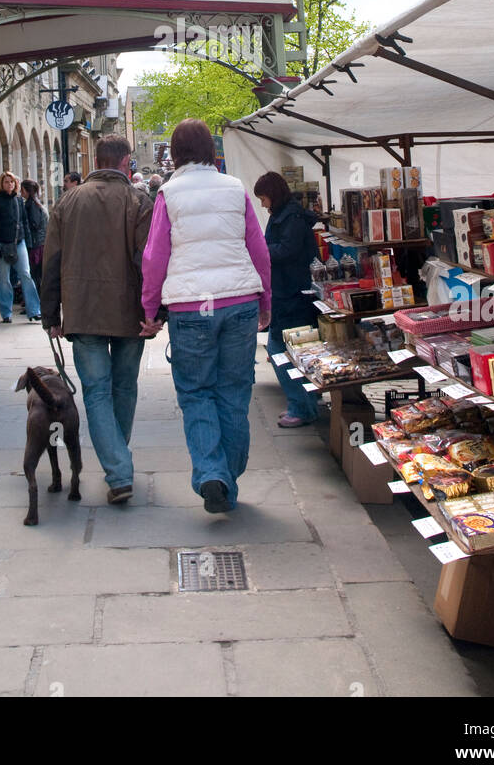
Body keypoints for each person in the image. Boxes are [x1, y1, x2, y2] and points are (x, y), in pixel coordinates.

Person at [141, 118, 271, 514]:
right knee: (234, 391)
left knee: (196, 393)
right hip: (239, 302)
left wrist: (149, 311)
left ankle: (213, 472)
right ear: (211, 150)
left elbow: (155, 257)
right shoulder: (235, 189)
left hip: (191, 308)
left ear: (175, 153)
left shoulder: (168, 193)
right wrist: (266, 304)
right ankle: (226, 476)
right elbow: (258, 249)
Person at [40, 135, 153, 503]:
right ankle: (119, 467)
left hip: (83, 309)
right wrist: (155, 311)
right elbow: (147, 261)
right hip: (130, 311)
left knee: (97, 393)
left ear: (97, 161)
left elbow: (50, 262)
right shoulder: (139, 201)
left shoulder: (68, 201)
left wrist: (50, 313)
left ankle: (118, 466)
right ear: (125, 162)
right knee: (124, 387)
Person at [255, 171, 321, 427]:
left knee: (281, 350)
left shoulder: (290, 218)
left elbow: (287, 250)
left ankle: (301, 407)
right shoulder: (286, 215)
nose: (262, 204)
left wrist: (260, 250)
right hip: (289, 292)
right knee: (292, 350)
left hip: (292, 293)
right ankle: (303, 404)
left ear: (273, 195)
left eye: (263, 198)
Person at [0, 171, 42, 323]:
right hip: (1, 244)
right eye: (6, 182)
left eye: (12, 182)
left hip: (19, 242)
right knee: (4, 279)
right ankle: (6, 313)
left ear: (15, 184)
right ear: (1, 184)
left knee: (26, 275)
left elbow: (24, 223)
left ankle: (34, 310)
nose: (9, 184)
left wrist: (28, 243)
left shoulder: (18, 201)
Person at [21, 179, 48, 292]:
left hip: (36, 245)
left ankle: (36, 303)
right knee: (37, 275)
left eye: (21, 190)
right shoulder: (36, 203)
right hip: (39, 243)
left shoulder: (31, 205)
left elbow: (34, 224)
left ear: (26, 191)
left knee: (34, 275)